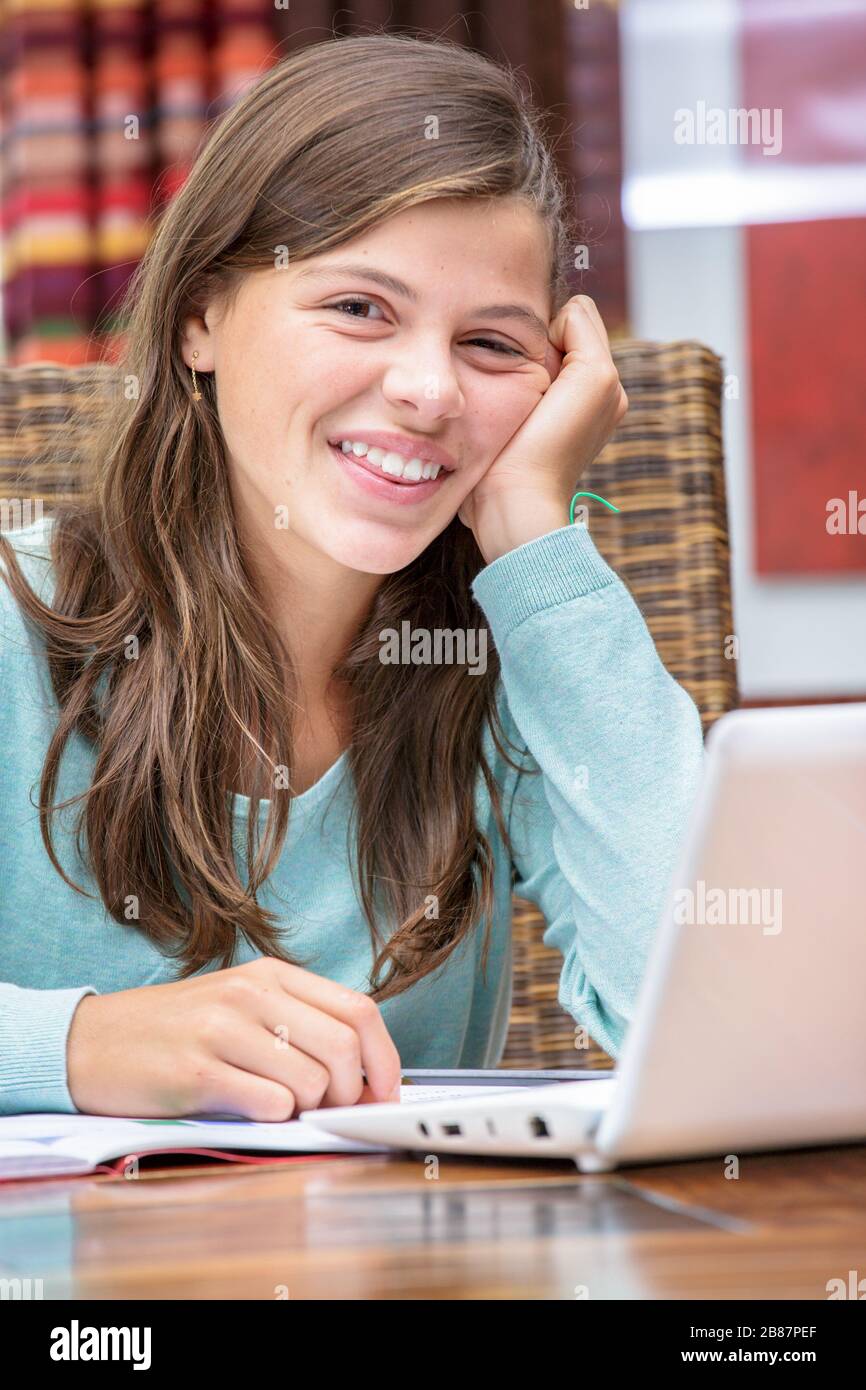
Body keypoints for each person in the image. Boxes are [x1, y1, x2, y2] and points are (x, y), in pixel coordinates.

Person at [0, 33, 703, 1121]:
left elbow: (706, 1015)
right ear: (199, 316)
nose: (427, 392)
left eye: (492, 345)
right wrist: (77, 1043)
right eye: (358, 308)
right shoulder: (12, 625)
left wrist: (533, 539)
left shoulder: (509, 663)